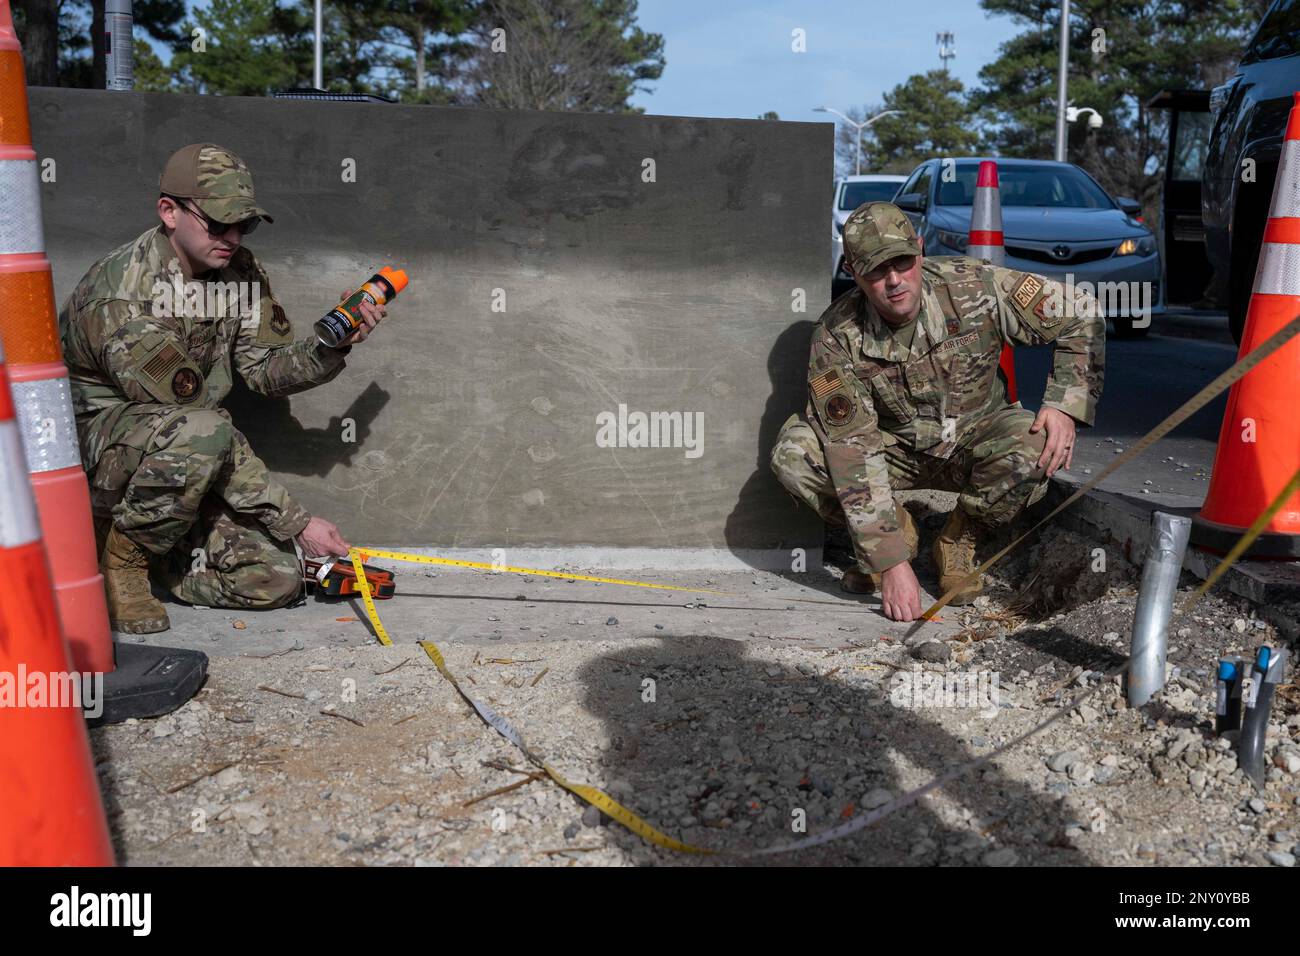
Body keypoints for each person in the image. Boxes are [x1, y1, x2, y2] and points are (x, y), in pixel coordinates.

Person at [59, 143, 387, 633]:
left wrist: (332, 344)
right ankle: (122, 567)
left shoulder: (240, 272)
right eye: (218, 223)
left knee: (274, 580)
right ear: (168, 212)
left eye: (244, 224)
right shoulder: (123, 292)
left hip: (184, 463)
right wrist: (295, 521)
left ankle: (153, 555)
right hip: (99, 457)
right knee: (202, 429)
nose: (232, 237)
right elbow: (194, 419)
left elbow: (265, 371)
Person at [771, 201, 1105, 621]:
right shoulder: (837, 337)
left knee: (1034, 444)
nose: (894, 280)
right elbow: (851, 450)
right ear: (853, 273)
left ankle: (958, 539)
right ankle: (899, 533)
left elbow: (1081, 313)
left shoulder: (976, 287)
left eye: (902, 262)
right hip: (892, 452)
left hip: (973, 440)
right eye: (876, 270)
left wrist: (1064, 405)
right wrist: (891, 563)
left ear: (921, 250)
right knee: (795, 456)